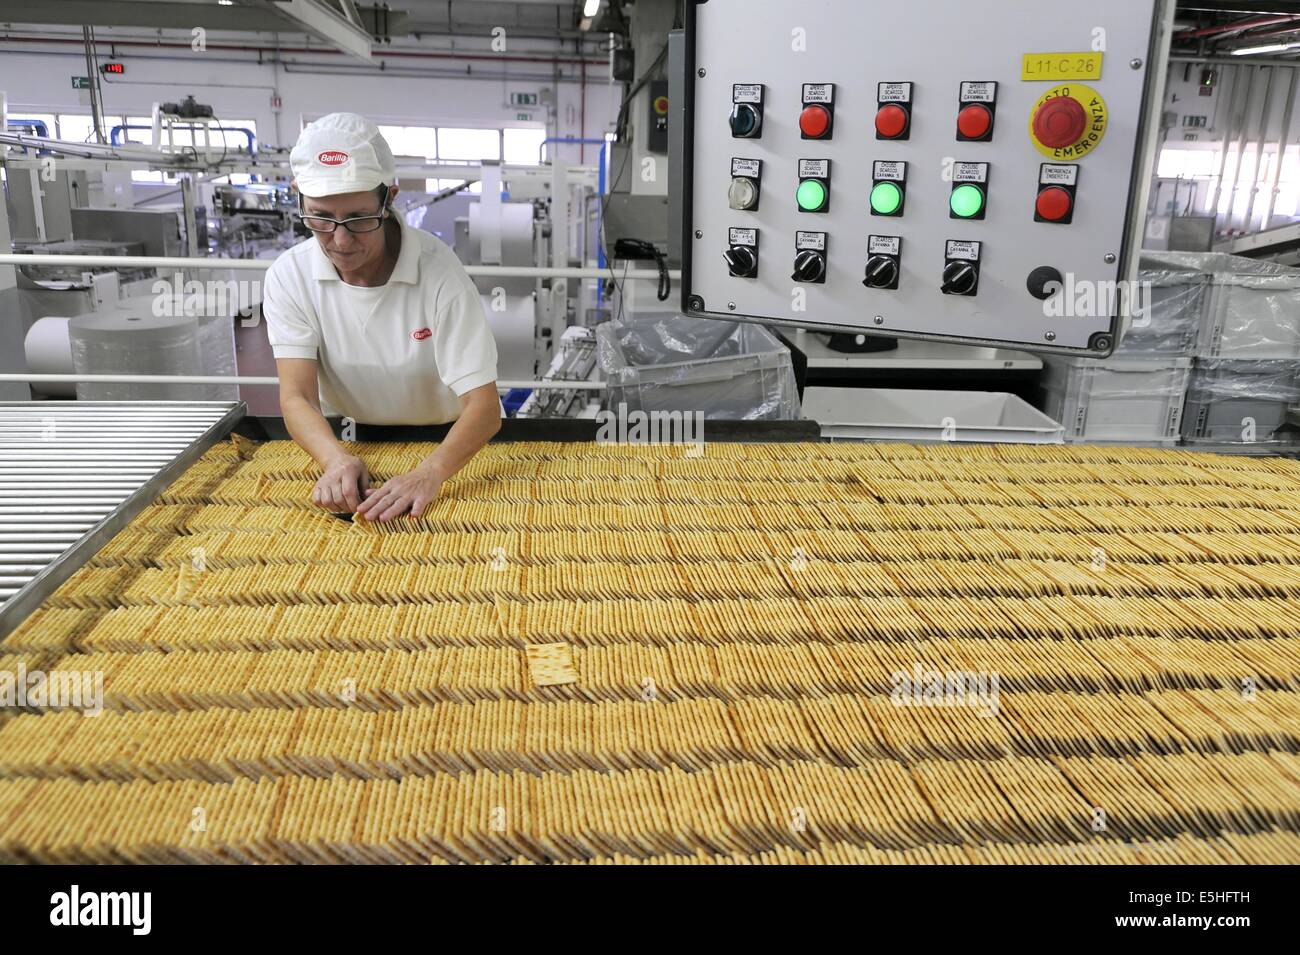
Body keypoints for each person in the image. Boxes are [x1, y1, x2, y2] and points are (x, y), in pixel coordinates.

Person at [261, 113, 501, 521]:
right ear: (298, 195)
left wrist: (430, 473)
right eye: (320, 217)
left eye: (358, 219)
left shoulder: (439, 272)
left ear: (389, 198)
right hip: (349, 443)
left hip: (446, 445)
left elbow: (484, 406)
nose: (340, 240)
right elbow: (297, 396)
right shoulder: (289, 275)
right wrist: (336, 461)